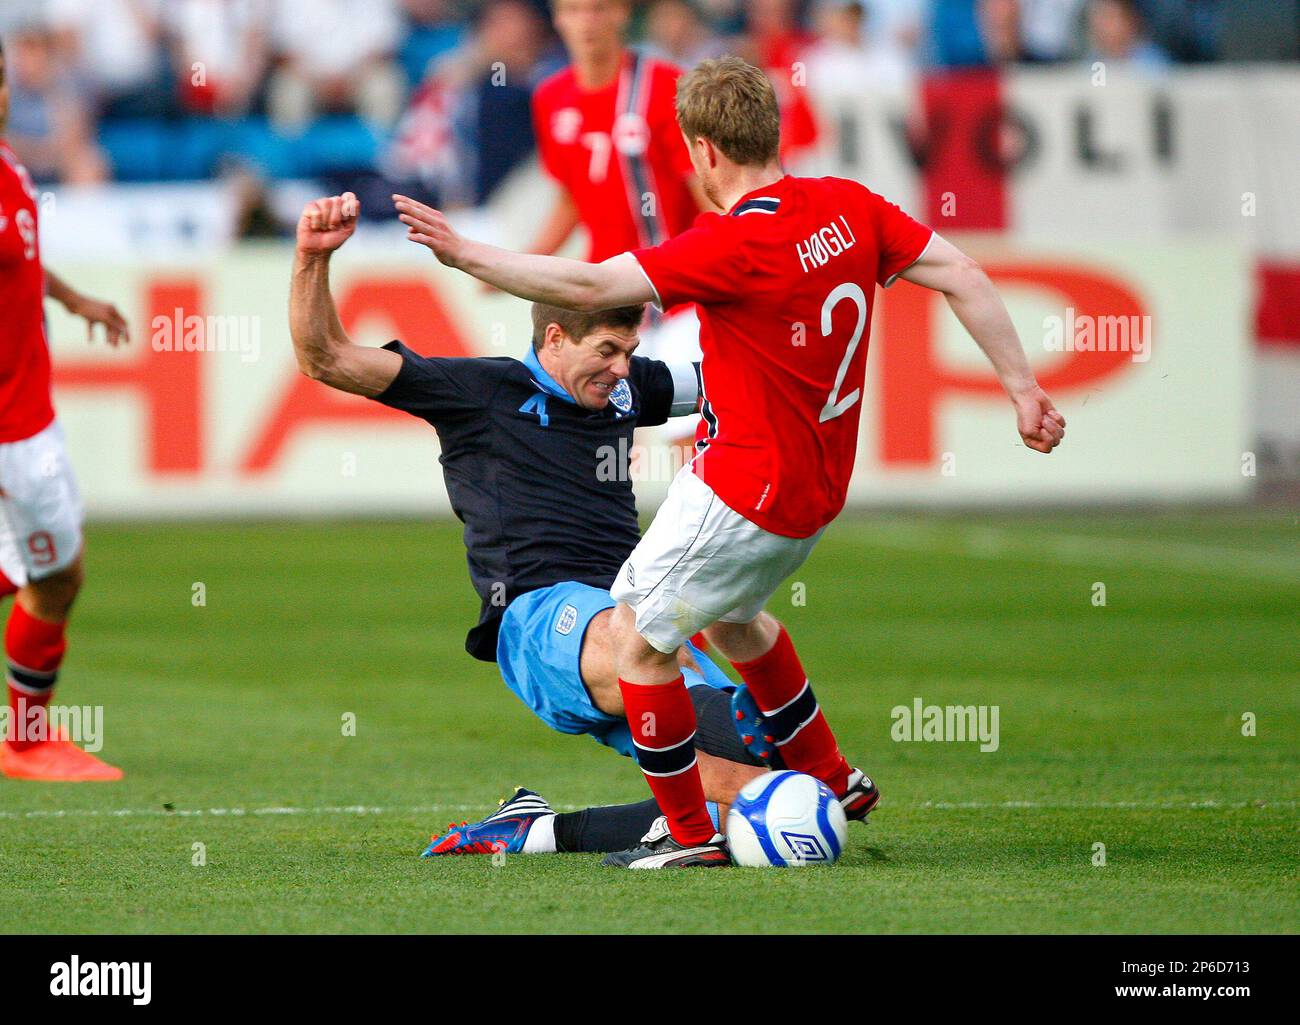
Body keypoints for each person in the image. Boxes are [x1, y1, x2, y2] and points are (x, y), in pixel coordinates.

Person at [392, 55, 1066, 868]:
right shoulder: (851, 207)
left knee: (640, 642)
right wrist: (1022, 389)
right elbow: (961, 273)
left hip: (742, 490)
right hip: (815, 498)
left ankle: (690, 836)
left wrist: (466, 254)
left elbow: (592, 277)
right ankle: (829, 772)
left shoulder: (733, 243)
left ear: (704, 151)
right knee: (735, 617)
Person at [287, 190, 836, 856]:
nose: (621, 366)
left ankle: (535, 830)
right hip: (544, 621)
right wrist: (312, 259)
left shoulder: (631, 387)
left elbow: (735, 379)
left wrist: (802, 311)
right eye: (607, 349)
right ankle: (728, 740)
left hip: (639, 618)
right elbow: (327, 356)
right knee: (672, 665)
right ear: (554, 336)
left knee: (762, 786)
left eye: (630, 348)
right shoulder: (480, 392)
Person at [0, 38, 130, 780]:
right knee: (57, 575)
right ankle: (25, 741)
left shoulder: (10, 167)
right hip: (9, 433)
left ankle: (25, 737)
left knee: (37, 569)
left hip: (28, 419)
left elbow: (16, 253)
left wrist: (72, 297)